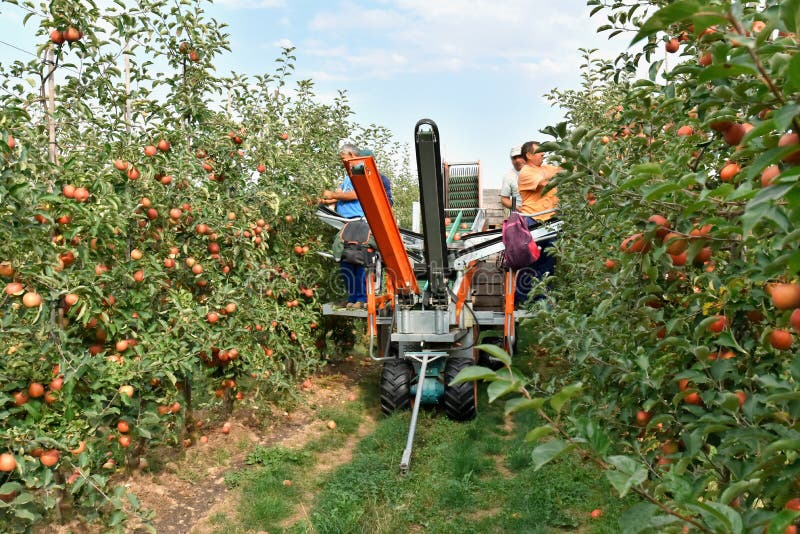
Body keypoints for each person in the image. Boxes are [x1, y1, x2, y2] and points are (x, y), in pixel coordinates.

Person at [321, 144, 393, 309]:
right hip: (346, 223)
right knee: (345, 259)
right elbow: (339, 193)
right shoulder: (348, 177)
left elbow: (357, 193)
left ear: (353, 155)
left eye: (344, 158)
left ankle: (362, 298)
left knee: (359, 258)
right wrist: (327, 199)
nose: (343, 162)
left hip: (360, 222)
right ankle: (352, 297)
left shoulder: (364, 174)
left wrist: (333, 195)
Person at [513, 141, 563, 305]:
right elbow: (545, 184)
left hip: (550, 221)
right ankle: (521, 298)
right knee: (532, 261)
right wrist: (557, 174)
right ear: (528, 155)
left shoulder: (546, 168)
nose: (543, 154)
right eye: (540, 152)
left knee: (548, 261)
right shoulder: (525, 172)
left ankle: (542, 299)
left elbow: (563, 171)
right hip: (533, 220)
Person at [499, 145, 525, 211]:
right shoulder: (508, 176)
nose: (517, 160)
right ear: (511, 160)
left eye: (520, 156)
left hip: (539, 212)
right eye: (514, 158)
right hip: (520, 214)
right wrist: (516, 208)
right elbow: (504, 199)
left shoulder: (535, 170)